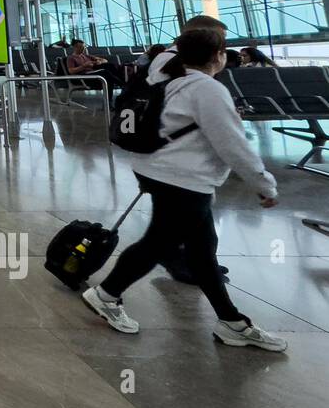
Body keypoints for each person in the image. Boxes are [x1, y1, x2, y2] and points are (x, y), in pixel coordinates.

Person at [82, 29, 286, 352]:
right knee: (157, 244)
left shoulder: (168, 78)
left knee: (202, 253)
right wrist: (264, 185)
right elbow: (233, 145)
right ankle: (106, 294)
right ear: (218, 56)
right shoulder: (207, 90)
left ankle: (231, 321)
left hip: (157, 169)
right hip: (181, 178)